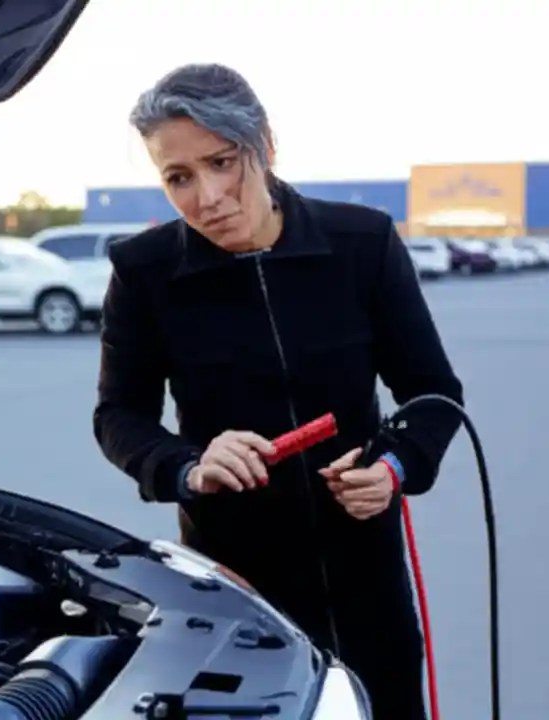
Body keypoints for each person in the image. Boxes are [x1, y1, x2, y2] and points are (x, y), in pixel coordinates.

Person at [92, 63, 464, 719]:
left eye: (222, 161)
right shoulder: (143, 273)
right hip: (233, 585)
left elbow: (433, 391)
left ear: (264, 143)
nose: (207, 196)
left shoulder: (363, 243)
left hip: (366, 572)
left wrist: (394, 466)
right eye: (179, 177)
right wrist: (187, 465)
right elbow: (119, 415)